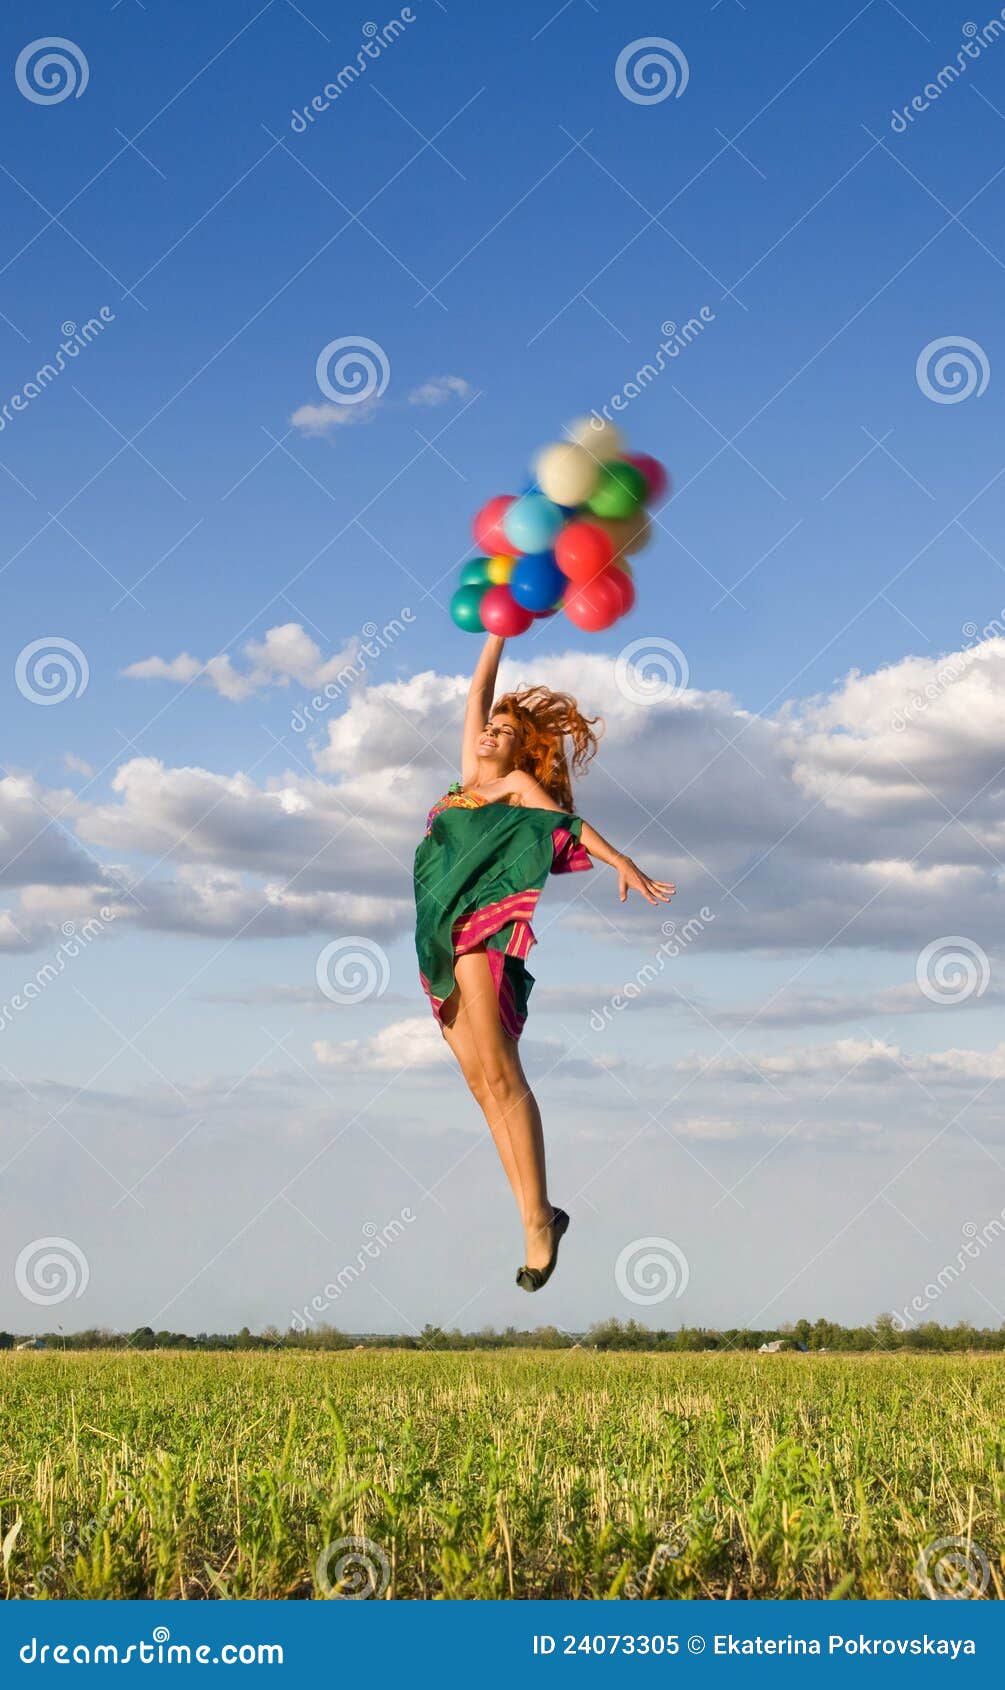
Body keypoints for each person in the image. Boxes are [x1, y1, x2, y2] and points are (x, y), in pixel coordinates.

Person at [413, 633, 675, 1290]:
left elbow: (564, 826)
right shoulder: (464, 784)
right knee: (481, 1087)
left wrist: (622, 863)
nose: (486, 734)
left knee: (502, 1075)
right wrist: (498, 628)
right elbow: (475, 691)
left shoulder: (516, 784)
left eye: (501, 733)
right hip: (437, 939)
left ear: (519, 750)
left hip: (484, 931)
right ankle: (540, 1215)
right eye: (486, 729)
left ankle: (536, 1222)